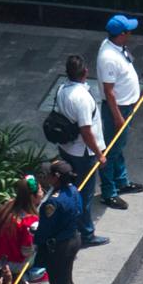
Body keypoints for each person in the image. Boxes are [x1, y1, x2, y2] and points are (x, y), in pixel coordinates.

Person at [45, 57, 107, 238]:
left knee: (68, 188)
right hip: (82, 153)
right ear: (85, 72)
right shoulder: (83, 98)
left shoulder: (61, 89)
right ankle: (86, 233)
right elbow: (86, 131)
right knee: (84, 194)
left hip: (66, 148)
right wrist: (99, 154)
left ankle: (67, 223)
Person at [33, 163, 87, 284]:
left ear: (56, 177)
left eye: (49, 175)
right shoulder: (73, 191)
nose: (47, 178)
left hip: (60, 248)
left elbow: (45, 230)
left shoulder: (53, 202)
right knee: (67, 283)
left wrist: (35, 241)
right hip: (73, 239)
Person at [95, 16, 143, 201]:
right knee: (111, 151)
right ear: (122, 34)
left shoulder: (116, 47)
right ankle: (109, 192)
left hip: (126, 106)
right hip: (117, 109)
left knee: (118, 147)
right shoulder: (108, 58)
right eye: (129, 30)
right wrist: (117, 117)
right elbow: (109, 92)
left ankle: (121, 181)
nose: (131, 33)